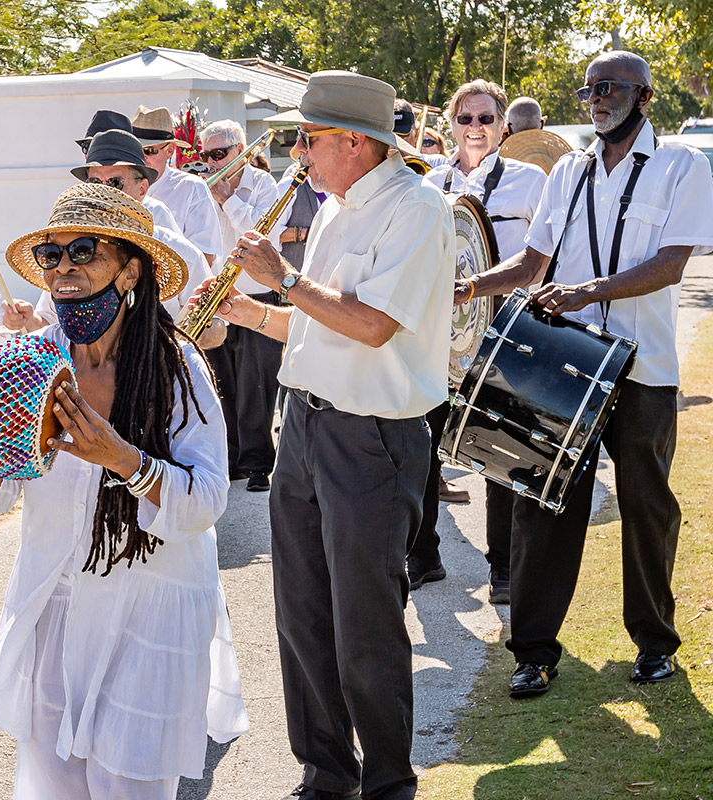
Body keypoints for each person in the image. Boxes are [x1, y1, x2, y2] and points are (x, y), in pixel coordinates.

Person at [195, 70, 453, 799]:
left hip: (372, 437)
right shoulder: (338, 205)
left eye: (308, 139)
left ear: (354, 141)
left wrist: (279, 278)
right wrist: (244, 314)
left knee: (365, 623)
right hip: (306, 424)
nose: (298, 153)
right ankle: (326, 773)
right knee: (302, 611)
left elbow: (372, 326)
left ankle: (389, 783)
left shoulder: (417, 209)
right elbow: (319, 321)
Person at [0, 182, 248, 799]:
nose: (64, 269)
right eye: (52, 256)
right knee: (56, 788)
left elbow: (208, 497)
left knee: (128, 785)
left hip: (153, 603)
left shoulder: (175, 366)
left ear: (131, 269)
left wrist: (125, 462)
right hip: (53, 601)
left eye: (84, 250)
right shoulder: (28, 357)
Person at [458, 51, 713, 697]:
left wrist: (587, 290)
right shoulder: (568, 169)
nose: (595, 97)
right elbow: (533, 262)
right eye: (588, 89)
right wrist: (467, 287)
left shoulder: (683, 164)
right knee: (541, 500)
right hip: (567, 358)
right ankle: (534, 652)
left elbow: (672, 264)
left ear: (644, 95)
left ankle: (655, 643)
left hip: (643, 368)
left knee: (646, 505)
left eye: (609, 88)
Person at [418, 79, 548, 601]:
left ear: (503, 125)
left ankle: (503, 567)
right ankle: (422, 555)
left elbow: (546, 255)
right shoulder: (428, 181)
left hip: (505, 329)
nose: (476, 128)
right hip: (436, 334)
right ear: (451, 124)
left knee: (498, 448)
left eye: (486, 118)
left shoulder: (529, 180)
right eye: (466, 119)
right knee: (423, 445)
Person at [3, 130, 213, 337]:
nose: (103, 192)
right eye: (95, 183)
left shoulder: (182, 253)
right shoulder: (69, 251)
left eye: (115, 183)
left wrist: (187, 335)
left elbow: (216, 330)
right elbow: (48, 320)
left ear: (142, 189)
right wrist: (26, 319)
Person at [199, 119, 283, 492]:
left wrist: (228, 200)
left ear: (240, 150)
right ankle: (231, 459)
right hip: (219, 296)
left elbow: (265, 235)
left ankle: (258, 463)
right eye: (207, 156)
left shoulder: (264, 184)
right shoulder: (203, 189)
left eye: (219, 154)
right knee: (223, 382)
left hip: (257, 295)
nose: (212, 163)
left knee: (256, 385)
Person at [133, 105, 224, 266]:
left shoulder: (192, 187)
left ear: (170, 151)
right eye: (136, 150)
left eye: (150, 150)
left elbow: (205, 255)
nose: (142, 157)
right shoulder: (121, 185)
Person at [395, 98, 450, 169]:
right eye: (393, 136)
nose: (398, 143)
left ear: (416, 134)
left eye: (404, 136)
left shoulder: (438, 163)